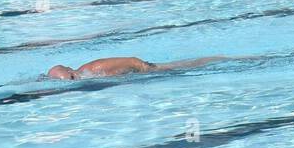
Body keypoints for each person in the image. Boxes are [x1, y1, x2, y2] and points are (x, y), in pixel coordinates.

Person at [45, 56, 225, 80]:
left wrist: (147, 70)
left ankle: (218, 59)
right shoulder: (88, 73)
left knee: (194, 65)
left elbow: (132, 61)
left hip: (147, 69)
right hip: (139, 71)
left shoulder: (93, 69)